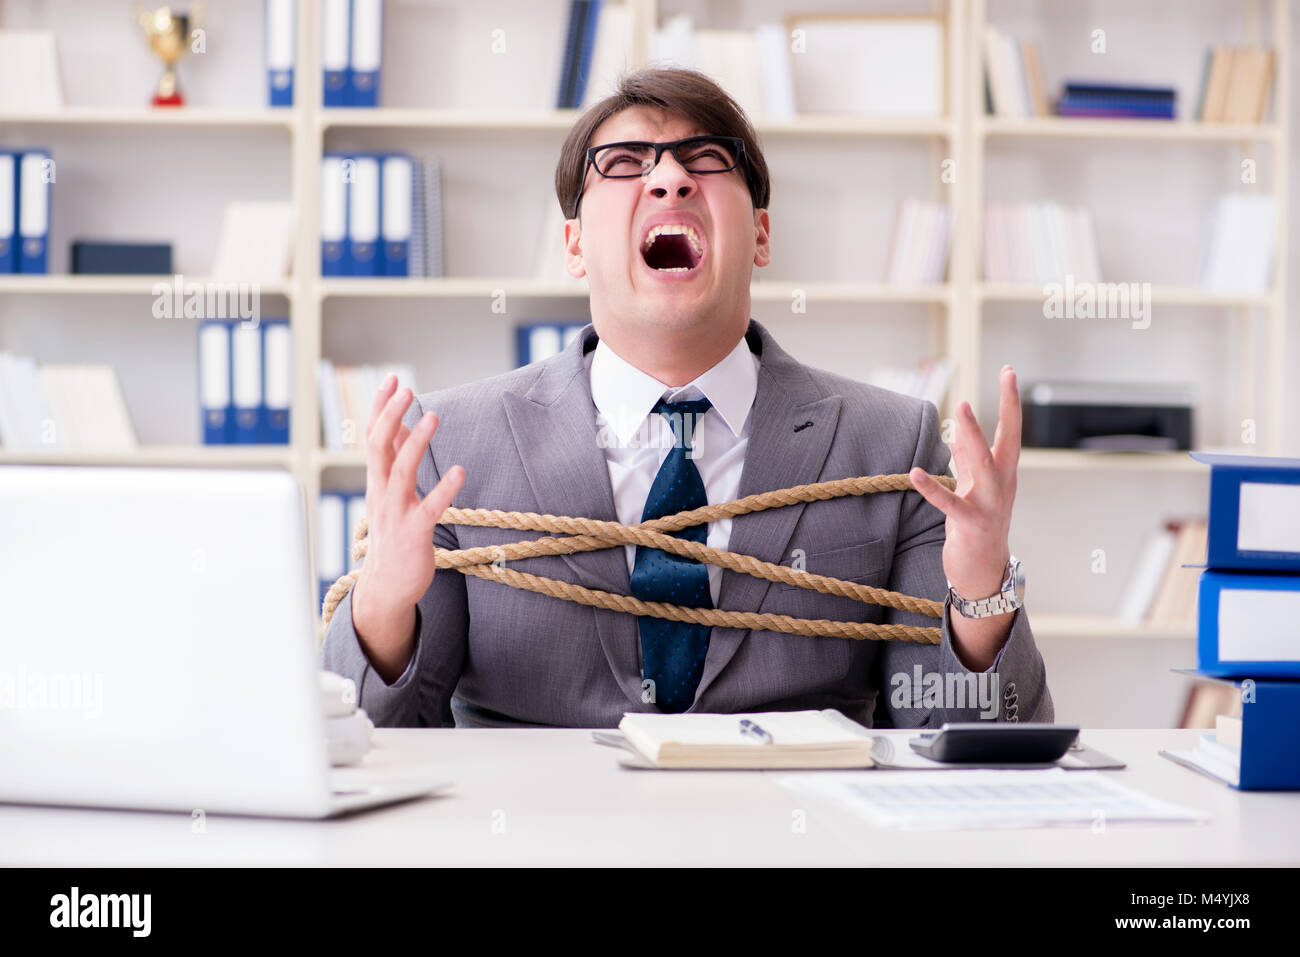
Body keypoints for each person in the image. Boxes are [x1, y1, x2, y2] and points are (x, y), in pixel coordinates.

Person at [321, 67, 1052, 729]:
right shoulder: (451, 446)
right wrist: (383, 605)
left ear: (761, 235)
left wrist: (983, 592)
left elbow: (958, 743)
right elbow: (378, 741)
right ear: (573, 245)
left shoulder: (895, 445)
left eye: (706, 158)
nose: (670, 179)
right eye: (627, 164)